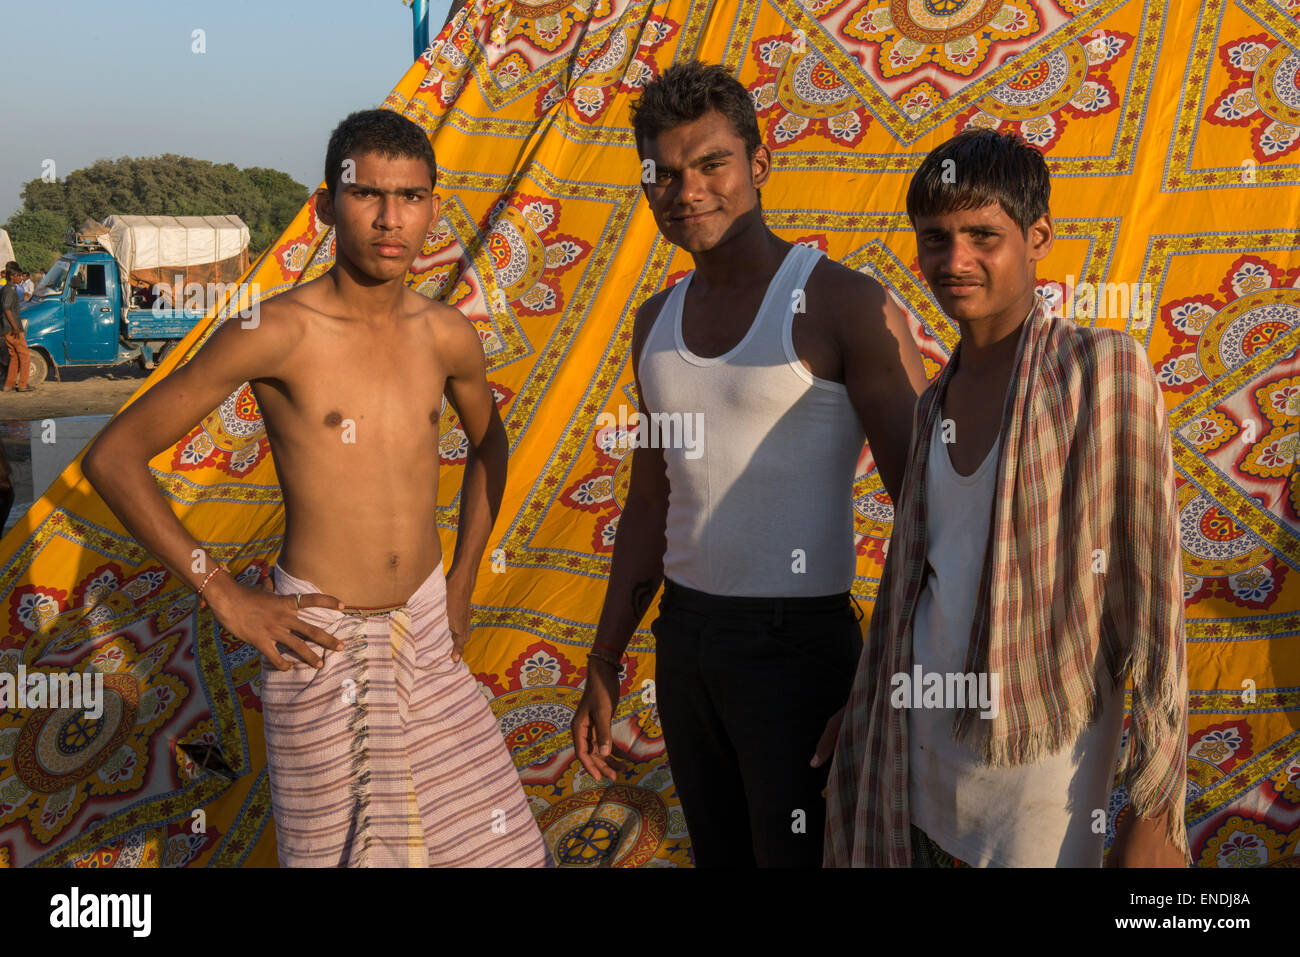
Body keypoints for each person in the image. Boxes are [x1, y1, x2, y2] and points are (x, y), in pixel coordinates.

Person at [83, 109, 548, 868]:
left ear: (434, 206)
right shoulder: (276, 331)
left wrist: (462, 576)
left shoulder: (445, 335)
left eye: (412, 196)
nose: (391, 218)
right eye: (368, 195)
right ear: (328, 203)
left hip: (429, 634)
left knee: (502, 852)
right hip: (318, 646)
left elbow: (489, 440)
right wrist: (224, 592)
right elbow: (115, 455)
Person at [569, 60, 928, 867]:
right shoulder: (654, 322)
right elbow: (651, 503)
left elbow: (928, 507)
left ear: (759, 166)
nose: (686, 189)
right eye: (663, 173)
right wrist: (604, 657)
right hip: (687, 640)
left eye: (710, 164)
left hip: (800, 646)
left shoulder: (841, 303)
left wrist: (886, 680)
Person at [823, 129, 1189, 868]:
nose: (955, 261)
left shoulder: (1104, 373)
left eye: (982, 235)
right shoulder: (935, 405)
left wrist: (1157, 806)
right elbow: (917, 584)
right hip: (918, 773)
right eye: (936, 239)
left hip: (1039, 793)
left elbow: (1156, 602)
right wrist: (865, 707)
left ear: (1037, 237)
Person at [2, 262, 33, 392]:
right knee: (25, 355)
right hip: (12, 328)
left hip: (5, 328)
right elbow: (7, 309)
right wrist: (15, 327)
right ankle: (23, 385)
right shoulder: (10, 290)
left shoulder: (6, 289)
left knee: (14, 356)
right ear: (12, 276)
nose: (21, 278)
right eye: (18, 276)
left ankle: (9, 384)